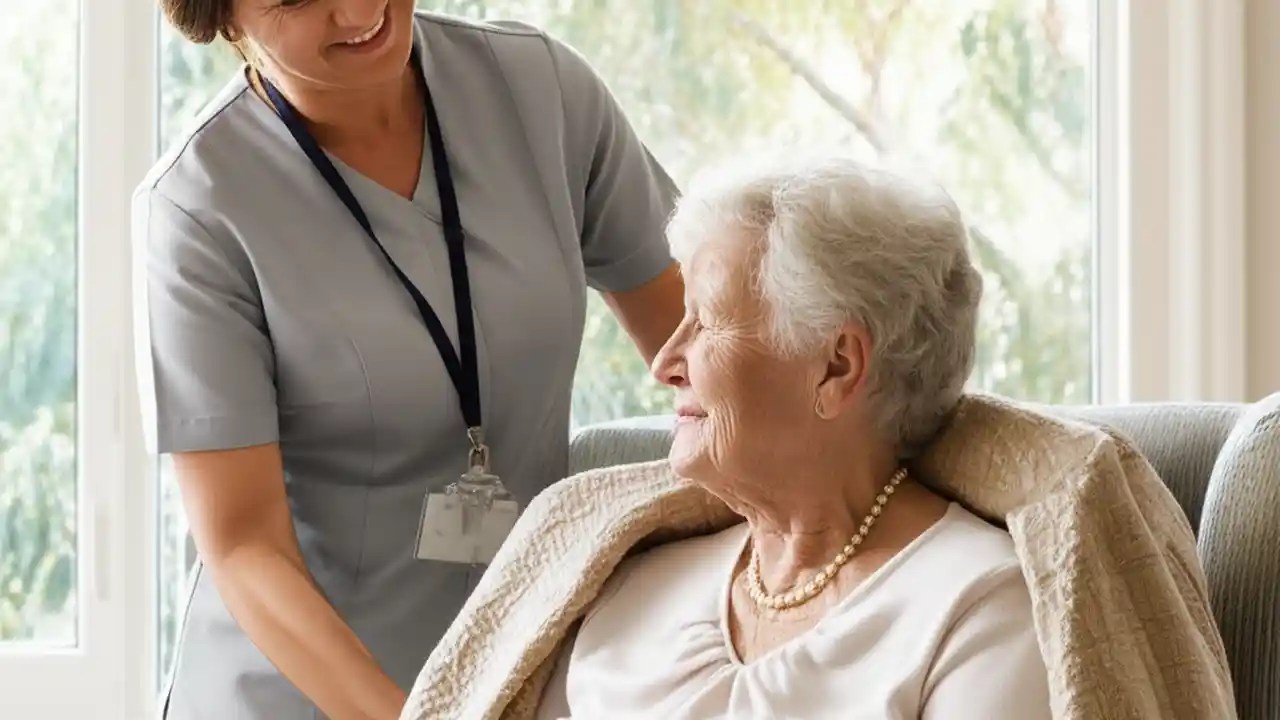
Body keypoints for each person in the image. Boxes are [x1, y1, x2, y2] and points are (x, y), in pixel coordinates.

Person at [133, 1, 683, 718]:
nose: (358, 9)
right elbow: (244, 547)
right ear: (223, 16)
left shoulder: (539, 90)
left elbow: (708, 346)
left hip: (512, 680)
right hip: (295, 698)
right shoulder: (198, 210)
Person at [534, 155, 1054, 718]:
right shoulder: (627, 585)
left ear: (836, 367)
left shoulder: (975, 608)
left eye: (705, 320)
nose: (664, 363)